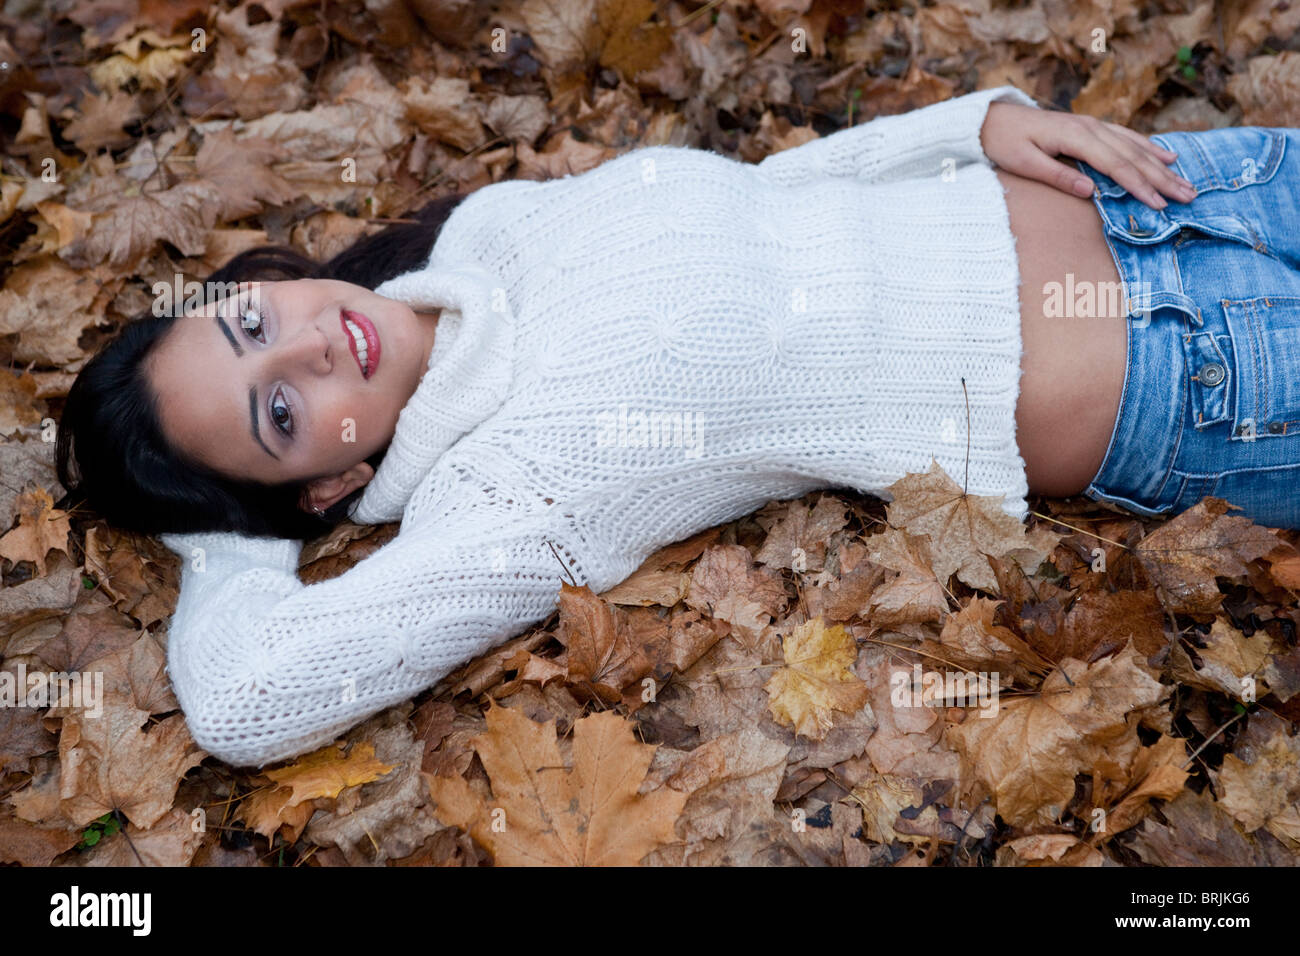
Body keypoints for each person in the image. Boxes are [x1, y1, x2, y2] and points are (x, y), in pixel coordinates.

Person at [54, 84, 1225, 766]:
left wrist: (962, 129)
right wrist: (219, 533)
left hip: (1179, 186)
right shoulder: (508, 488)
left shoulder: (490, 231)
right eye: (276, 412)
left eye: (253, 320)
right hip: (1201, 370)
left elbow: (757, 197)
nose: (307, 347)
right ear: (319, 483)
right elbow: (245, 698)